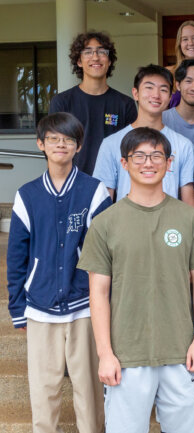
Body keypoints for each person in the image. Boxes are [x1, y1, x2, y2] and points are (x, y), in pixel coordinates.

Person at [78, 127, 194, 433]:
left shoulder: (189, 218)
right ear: (124, 163)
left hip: (180, 351)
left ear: (170, 163)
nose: (148, 162)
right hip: (127, 355)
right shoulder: (105, 223)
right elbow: (98, 294)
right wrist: (105, 354)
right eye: (138, 155)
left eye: (156, 155)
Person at [6, 112, 111, 433]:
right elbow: (17, 256)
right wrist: (17, 308)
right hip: (39, 307)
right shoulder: (27, 195)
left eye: (67, 139)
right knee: (43, 389)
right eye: (53, 139)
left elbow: (106, 255)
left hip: (83, 307)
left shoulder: (94, 191)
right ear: (41, 144)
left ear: (78, 146)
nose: (60, 144)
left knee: (89, 390)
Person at [93, 64, 194, 206]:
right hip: (125, 225)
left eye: (163, 90)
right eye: (149, 87)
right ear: (135, 93)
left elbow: (188, 203)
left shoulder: (183, 145)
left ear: (170, 98)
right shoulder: (111, 143)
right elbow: (104, 199)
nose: (156, 95)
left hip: (169, 226)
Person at [50, 31, 137, 175]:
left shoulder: (125, 104)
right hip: (73, 183)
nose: (95, 57)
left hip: (113, 185)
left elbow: (131, 150)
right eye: (88, 52)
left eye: (102, 52)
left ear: (109, 61)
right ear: (79, 61)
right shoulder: (62, 102)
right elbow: (53, 149)